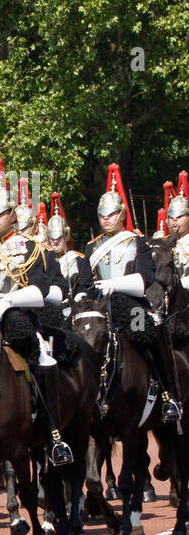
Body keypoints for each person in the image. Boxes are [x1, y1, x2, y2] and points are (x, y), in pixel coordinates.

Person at [0, 158, 73, 465]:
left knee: (39, 355)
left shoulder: (31, 247)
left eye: (1, 214)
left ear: (12, 214)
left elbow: (40, 292)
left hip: (19, 314)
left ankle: (51, 431)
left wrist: (9, 301)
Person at [83, 163, 181, 422]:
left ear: (121, 214)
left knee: (147, 330)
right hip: (100, 305)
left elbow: (145, 279)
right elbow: (84, 283)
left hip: (131, 302)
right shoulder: (91, 248)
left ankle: (167, 394)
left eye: (111, 213)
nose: (106, 218)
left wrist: (115, 285)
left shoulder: (137, 241)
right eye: (102, 214)